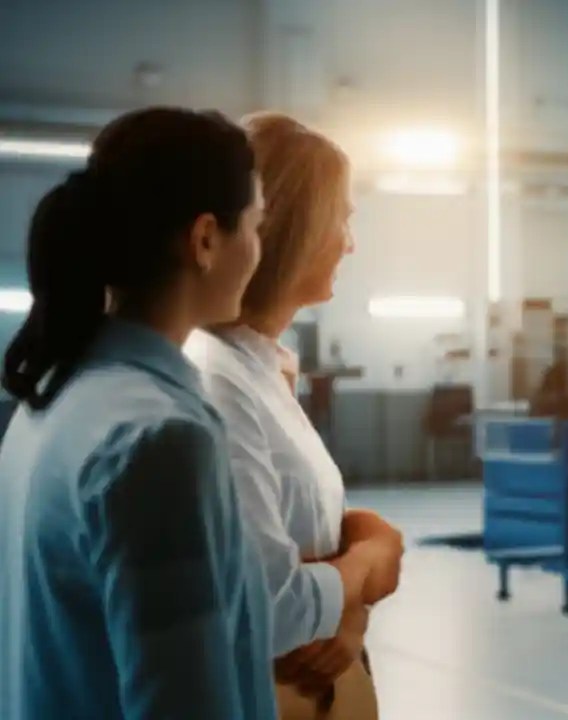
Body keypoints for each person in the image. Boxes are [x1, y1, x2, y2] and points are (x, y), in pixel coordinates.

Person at [0, 107, 275, 718]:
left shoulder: (49, 405)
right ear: (205, 239)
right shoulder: (158, 440)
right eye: (255, 225)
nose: (259, 249)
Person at [184, 111, 403, 720]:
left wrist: (362, 568)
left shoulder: (263, 366)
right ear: (291, 227)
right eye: (342, 220)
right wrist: (369, 561)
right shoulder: (214, 378)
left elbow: (297, 527)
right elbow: (270, 605)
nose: (349, 243)